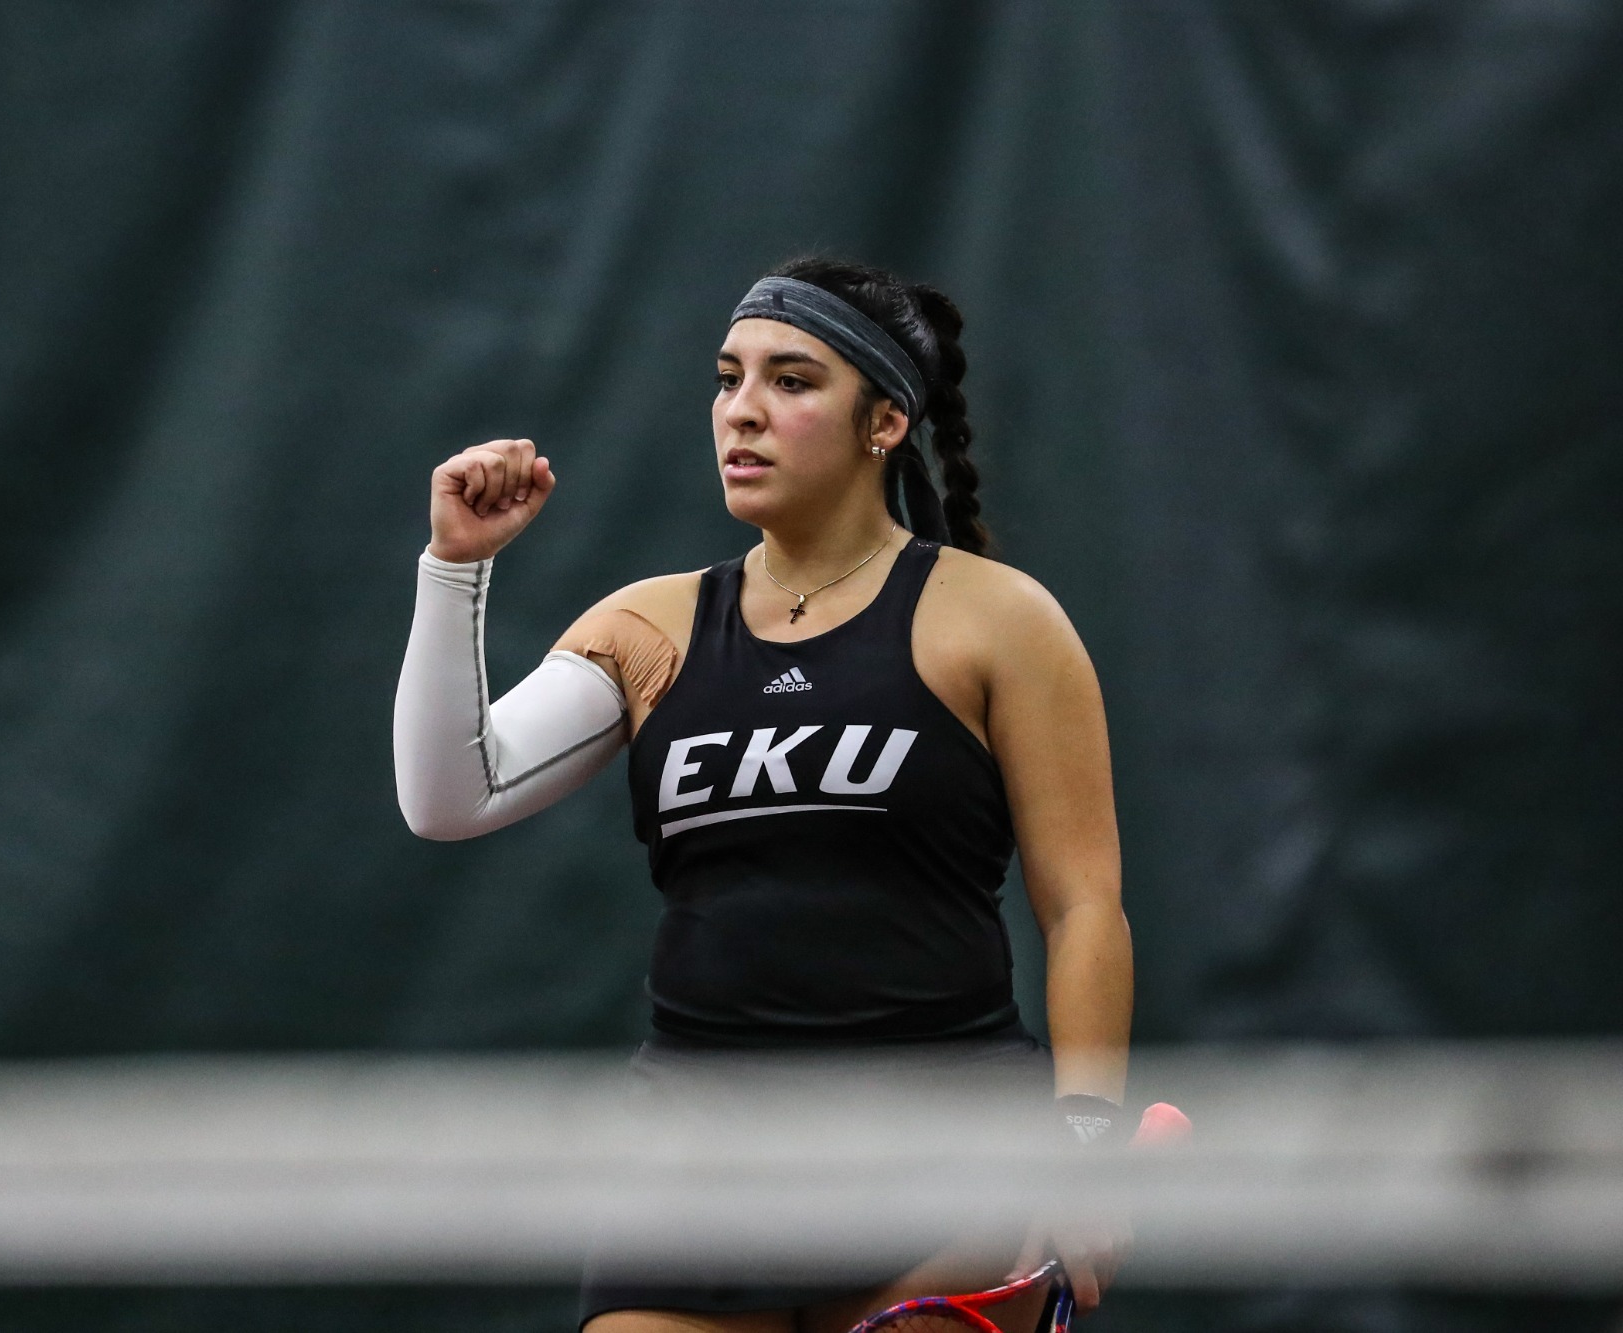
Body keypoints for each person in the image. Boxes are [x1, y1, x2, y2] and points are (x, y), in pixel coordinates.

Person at [393, 257, 1133, 1333]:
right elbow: (448, 796)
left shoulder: (999, 619)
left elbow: (1084, 908)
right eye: (726, 377)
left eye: (790, 381)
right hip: (696, 1157)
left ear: (884, 422)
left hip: (945, 1146)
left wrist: (1085, 1140)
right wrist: (454, 566)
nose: (741, 410)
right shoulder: (647, 627)